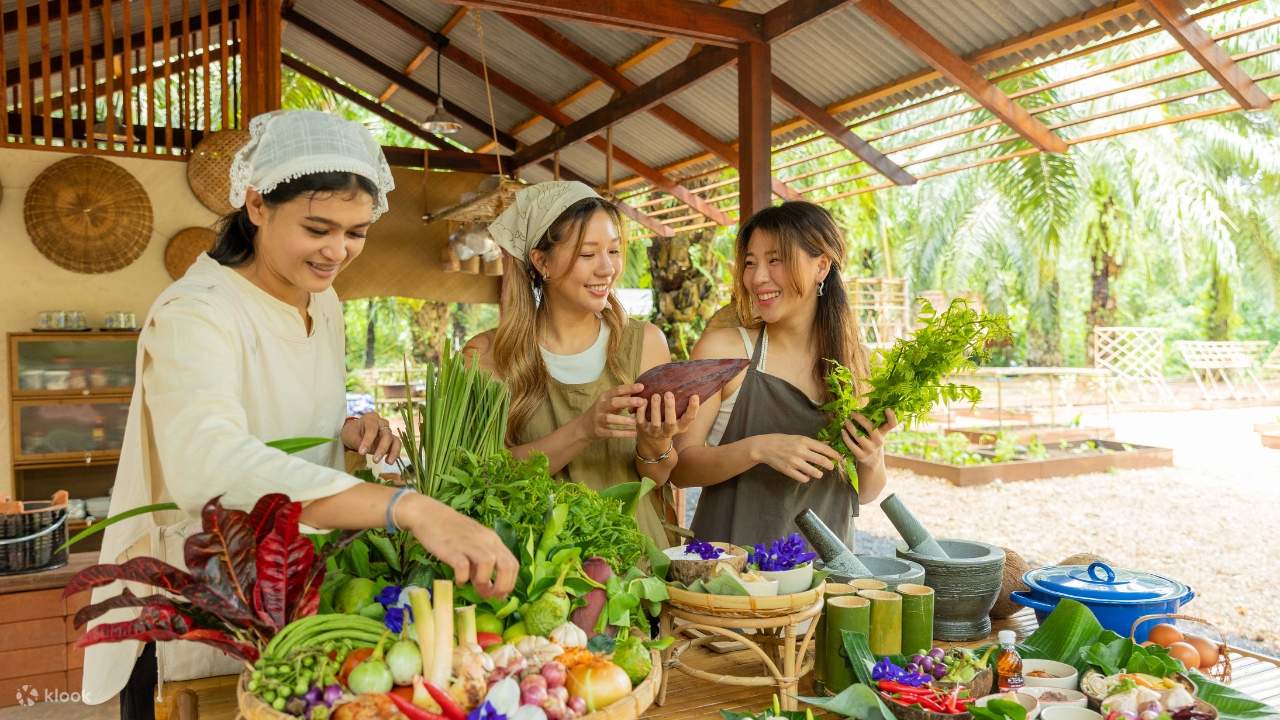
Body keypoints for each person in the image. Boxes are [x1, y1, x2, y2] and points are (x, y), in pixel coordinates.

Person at [84, 110, 517, 717]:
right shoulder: (196, 312)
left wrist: (341, 426)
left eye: (357, 231)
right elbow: (209, 460)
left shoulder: (323, 298)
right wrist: (404, 506)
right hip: (203, 600)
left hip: (292, 593)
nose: (338, 251)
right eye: (317, 227)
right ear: (257, 205)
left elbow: (284, 410)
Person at [463, 181, 698, 548]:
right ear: (541, 262)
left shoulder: (644, 343)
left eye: (614, 251)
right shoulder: (488, 356)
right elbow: (484, 481)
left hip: (635, 565)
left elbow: (658, 476)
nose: (608, 269)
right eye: (588, 255)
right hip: (539, 575)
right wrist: (584, 429)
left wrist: (656, 443)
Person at [670, 201, 898, 547]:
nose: (758, 277)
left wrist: (871, 456)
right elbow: (680, 468)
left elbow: (866, 493)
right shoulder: (725, 350)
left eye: (775, 260)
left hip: (827, 580)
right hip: (730, 579)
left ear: (821, 265)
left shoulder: (855, 364)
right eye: (750, 263)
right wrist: (758, 449)